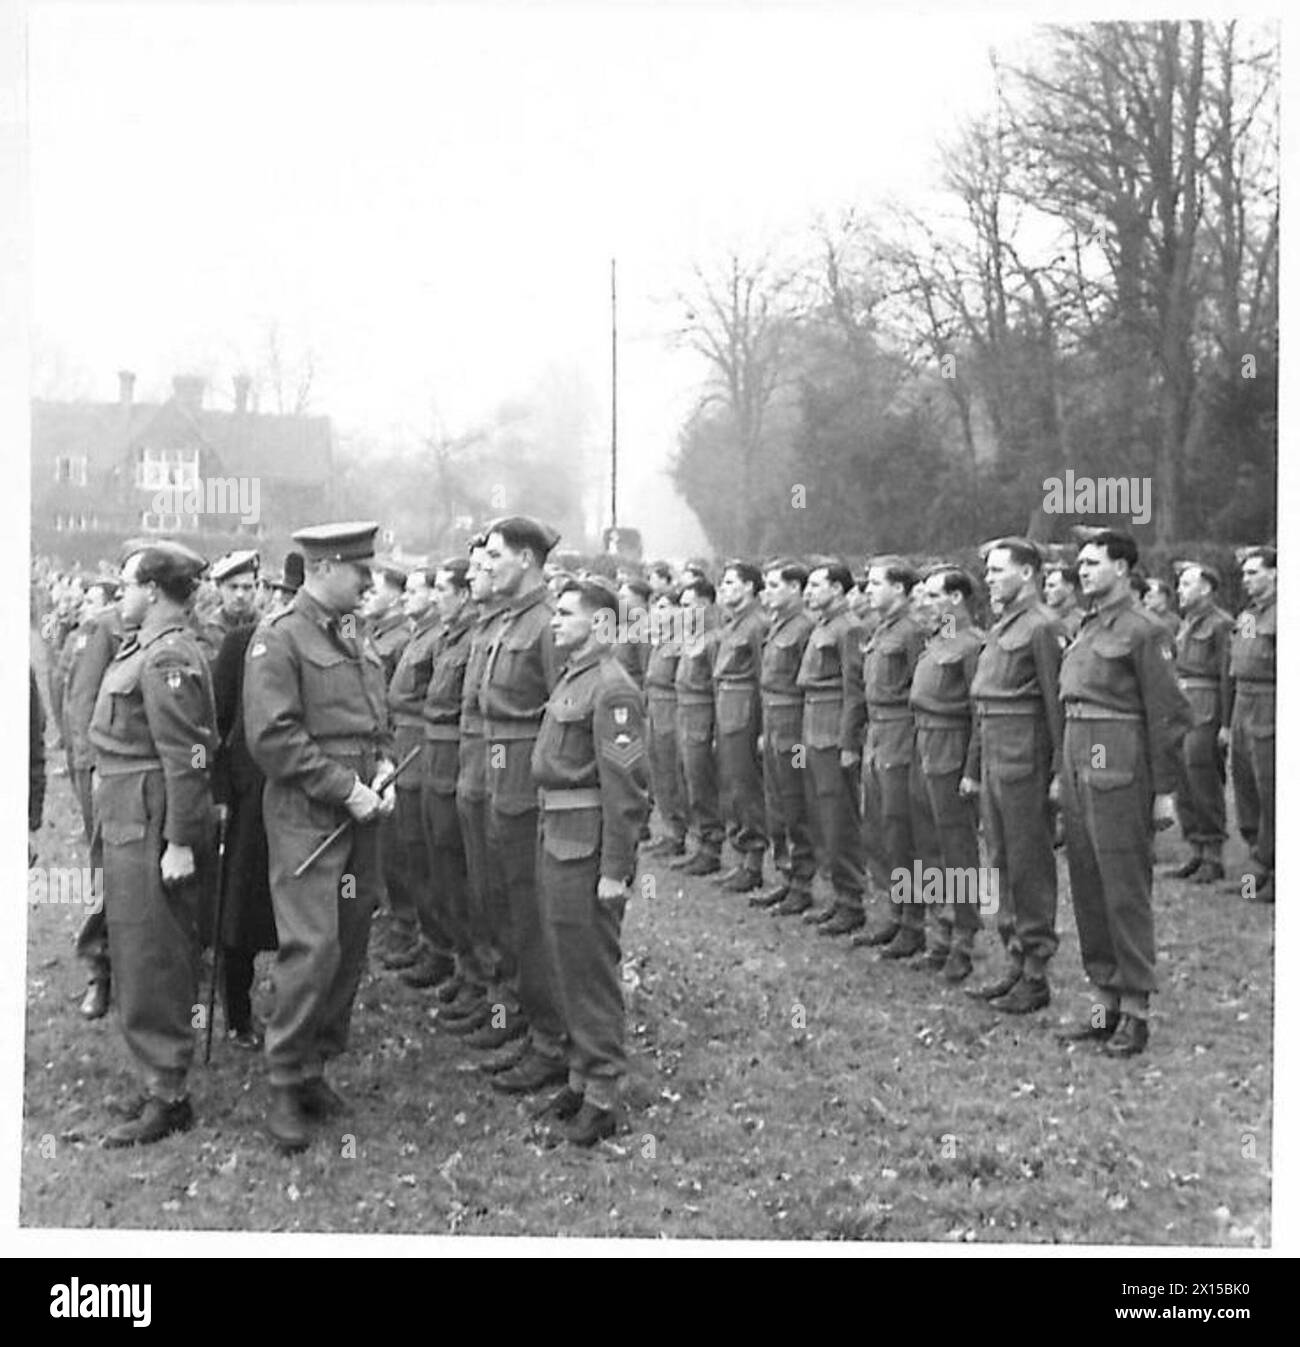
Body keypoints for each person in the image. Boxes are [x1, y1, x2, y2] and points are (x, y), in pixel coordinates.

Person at [244, 521, 396, 1152]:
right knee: (312, 948)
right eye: (360, 571)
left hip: (362, 810)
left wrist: (384, 762)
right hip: (311, 814)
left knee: (350, 941)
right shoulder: (278, 639)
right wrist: (347, 787)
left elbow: (372, 716)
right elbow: (273, 739)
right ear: (326, 567)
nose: (369, 582)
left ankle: (314, 1067)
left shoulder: (351, 635)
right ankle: (283, 1079)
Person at [89, 541, 216, 1146]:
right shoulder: (144, 647)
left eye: (128, 586)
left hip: (150, 822)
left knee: (155, 957)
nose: (122, 596)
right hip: (127, 816)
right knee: (135, 952)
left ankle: (169, 1094)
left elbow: (188, 757)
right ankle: (154, 1081)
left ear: (155, 591)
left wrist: (182, 843)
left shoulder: (167, 656)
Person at [1057, 531, 1192, 1057]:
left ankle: (1135, 1009)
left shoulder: (1144, 630)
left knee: (1122, 885)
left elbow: (1168, 713)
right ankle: (1102, 1002)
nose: (1082, 570)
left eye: (1092, 562)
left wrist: (1163, 792)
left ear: (1123, 567)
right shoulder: (1087, 626)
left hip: (1118, 755)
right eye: (1081, 563)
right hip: (1077, 752)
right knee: (1088, 883)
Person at [532, 580, 650, 1145]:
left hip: (586, 847)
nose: (555, 621)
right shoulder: (575, 676)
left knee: (591, 970)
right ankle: (580, 1076)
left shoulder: (613, 689)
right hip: (558, 835)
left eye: (565, 613)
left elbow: (626, 788)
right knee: (563, 963)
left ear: (600, 625)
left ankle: (603, 1091)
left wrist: (615, 870)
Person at [476, 516, 571, 1098]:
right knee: (507, 912)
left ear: (528, 559)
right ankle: (527, 1024)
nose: (487, 564)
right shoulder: (510, 618)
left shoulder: (548, 624)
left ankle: (554, 1041)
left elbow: (565, 714)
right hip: (496, 772)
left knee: (536, 922)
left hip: (529, 785)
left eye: (496, 555)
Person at [963, 538, 1064, 1013]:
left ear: (1027, 573)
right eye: (987, 570)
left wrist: (1060, 773)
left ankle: (1037, 972)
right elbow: (984, 704)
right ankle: (1015, 960)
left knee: (1028, 864)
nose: (989, 578)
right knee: (1001, 860)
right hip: (996, 757)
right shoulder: (1003, 626)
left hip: (1025, 758)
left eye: (999, 570)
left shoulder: (1042, 628)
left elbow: (1055, 706)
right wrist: (975, 768)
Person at [209, 557, 293, 1050]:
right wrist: (219, 793)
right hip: (246, 797)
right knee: (239, 908)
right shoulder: (240, 645)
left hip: (294, 793)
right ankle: (238, 1015)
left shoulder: (307, 646)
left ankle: (294, 1014)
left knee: (293, 909)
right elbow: (215, 728)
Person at [908, 566, 984, 982]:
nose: (927, 603)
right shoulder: (936, 642)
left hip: (953, 749)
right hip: (925, 745)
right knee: (930, 844)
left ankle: (964, 939)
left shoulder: (971, 645)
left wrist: (972, 770)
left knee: (959, 849)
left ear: (956, 599)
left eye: (935, 596)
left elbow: (979, 715)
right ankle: (940, 929)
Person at [381, 566, 454, 986]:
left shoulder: (436, 638)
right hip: (408, 740)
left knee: (431, 857)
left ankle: (443, 949)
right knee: (408, 849)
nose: (409, 597)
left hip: (429, 747)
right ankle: (429, 942)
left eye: (420, 590)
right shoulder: (423, 635)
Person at [851, 556, 926, 949]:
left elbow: (921, 689)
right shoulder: (881, 631)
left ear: (899, 588)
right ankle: (896, 912)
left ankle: (914, 921)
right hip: (877, 732)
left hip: (901, 731)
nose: (867, 590)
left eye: (876, 583)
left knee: (901, 828)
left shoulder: (912, 631)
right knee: (879, 825)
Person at [61, 577, 125, 1020]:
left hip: (150, 773)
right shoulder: (102, 627)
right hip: (106, 771)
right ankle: (98, 971)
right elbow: (81, 702)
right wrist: (93, 769)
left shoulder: (178, 627)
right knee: (105, 869)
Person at [793, 562, 866, 924]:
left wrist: (849, 742)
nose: (809, 591)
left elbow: (855, 689)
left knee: (840, 819)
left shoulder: (849, 629)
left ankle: (852, 899)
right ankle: (839, 896)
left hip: (833, 730)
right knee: (822, 817)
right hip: (813, 727)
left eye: (818, 584)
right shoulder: (824, 625)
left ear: (838, 589)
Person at [1165, 561, 1234, 884]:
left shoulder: (1222, 624)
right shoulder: (1186, 623)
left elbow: (1225, 675)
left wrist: (1225, 723)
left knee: (1202, 778)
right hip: (1182, 705)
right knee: (1183, 780)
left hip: (1206, 707)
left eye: (1187, 584)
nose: (1180, 589)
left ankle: (1213, 854)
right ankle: (1195, 849)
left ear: (1206, 588)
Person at [752, 561, 815, 911]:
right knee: (776, 802)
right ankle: (786, 875)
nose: (767, 592)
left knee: (794, 802)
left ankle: (802, 881)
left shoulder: (804, 627)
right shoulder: (778, 626)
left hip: (794, 723)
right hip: (774, 720)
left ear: (795, 589)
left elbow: (809, 685)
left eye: (775, 585)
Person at [712, 561, 769, 893]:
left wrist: (761, 729)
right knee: (731, 786)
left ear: (750, 587)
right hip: (728, 706)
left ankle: (753, 862)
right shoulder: (734, 624)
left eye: (732, 582)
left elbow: (765, 678)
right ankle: (741, 856)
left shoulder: (756, 625)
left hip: (745, 710)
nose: (724, 587)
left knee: (746, 787)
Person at [1225, 547, 1276, 903]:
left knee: (1271, 788)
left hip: (1270, 702)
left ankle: (1275, 871)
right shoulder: (1246, 616)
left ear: (1275, 574)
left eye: (1254, 572)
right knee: (1244, 785)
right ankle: (1255, 866)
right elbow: (1236, 662)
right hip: (1243, 701)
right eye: (1244, 573)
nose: (1247, 580)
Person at [671, 578, 726, 876]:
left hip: (703, 716)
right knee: (688, 783)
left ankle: (712, 846)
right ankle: (699, 843)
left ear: (705, 605)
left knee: (703, 784)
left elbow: (718, 687)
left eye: (689, 605)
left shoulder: (714, 640)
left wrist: (716, 730)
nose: (684, 611)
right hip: (685, 713)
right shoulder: (689, 637)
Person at [642, 588, 688, 858]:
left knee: (673, 774)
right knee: (657, 773)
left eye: (664, 606)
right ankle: (669, 829)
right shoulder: (658, 640)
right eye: (656, 607)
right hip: (654, 710)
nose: (658, 612)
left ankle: (679, 833)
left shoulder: (681, 643)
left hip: (671, 710)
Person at [197, 550, 260, 662]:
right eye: (233, 587)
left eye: (247, 587)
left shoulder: (267, 626)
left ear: (256, 588)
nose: (240, 595)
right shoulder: (209, 632)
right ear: (219, 588)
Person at [1043, 562, 1084, 642]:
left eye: (1051, 586)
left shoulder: (1082, 621)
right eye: (1045, 586)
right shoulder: (1039, 617)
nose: (1045, 591)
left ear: (1069, 587)